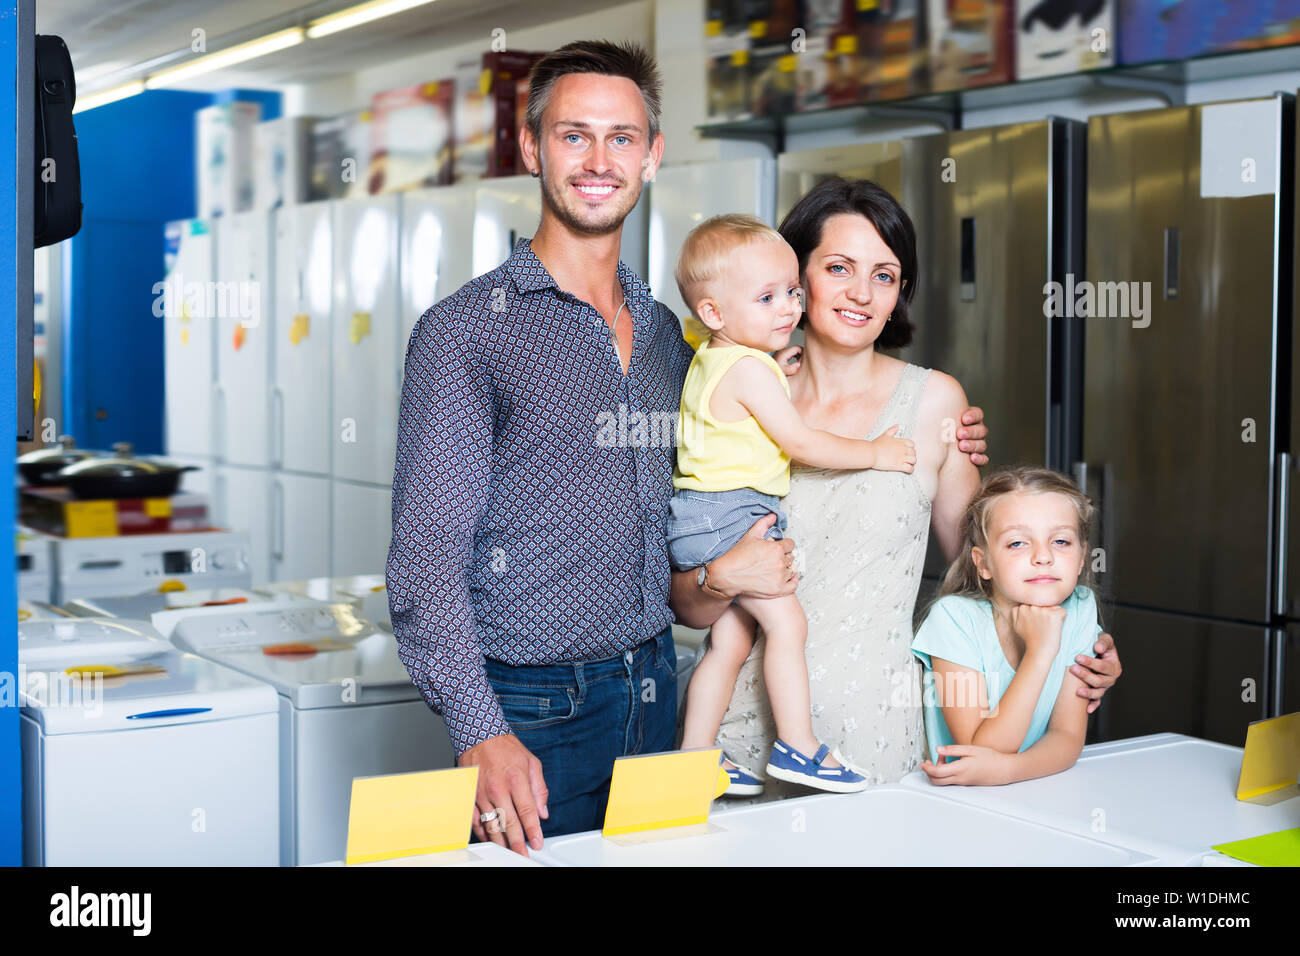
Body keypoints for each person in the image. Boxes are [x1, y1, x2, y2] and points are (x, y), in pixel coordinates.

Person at [684, 178, 1122, 799]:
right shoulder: (733, 391)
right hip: (728, 741)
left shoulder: (936, 402)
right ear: (794, 273)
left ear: (900, 296)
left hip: (873, 734)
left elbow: (985, 573)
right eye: (838, 267)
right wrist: (722, 575)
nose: (861, 293)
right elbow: (684, 589)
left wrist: (1072, 650)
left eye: (885, 276)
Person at [667, 214, 915, 794]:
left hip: (700, 516)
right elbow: (800, 443)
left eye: (790, 294)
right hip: (734, 516)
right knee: (789, 623)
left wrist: (772, 367)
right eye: (767, 297)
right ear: (714, 314)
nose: (787, 310)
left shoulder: (714, 356)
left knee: (729, 642)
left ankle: (694, 758)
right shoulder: (752, 370)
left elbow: (736, 412)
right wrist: (876, 453)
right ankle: (799, 746)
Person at [911, 467, 1099, 785]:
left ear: (1082, 558)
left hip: (1034, 789)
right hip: (961, 803)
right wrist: (1040, 654)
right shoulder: (955, 620)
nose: (1043, 556)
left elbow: (1066, 737)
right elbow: (979, 750)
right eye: (1017, 544)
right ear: (983, 563)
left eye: (1062, 541)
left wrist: (1010, 770)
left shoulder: (1080, 608)